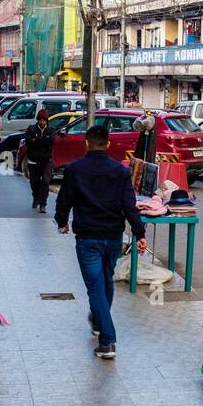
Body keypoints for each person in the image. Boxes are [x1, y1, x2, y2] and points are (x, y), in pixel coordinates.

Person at [54, 124, 147, 361]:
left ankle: (107, 341)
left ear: (87, 143)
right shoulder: (120, 171)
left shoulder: (75, 170)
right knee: (106, 280)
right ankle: (97, 320)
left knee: (96, 287)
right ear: (108, 144)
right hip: (112, 237)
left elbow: (64, 199)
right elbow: (129, 205)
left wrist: (61, 221)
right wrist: (139, 233)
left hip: (88, 238)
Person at [24, 109, 56, 213]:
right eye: (40, 120)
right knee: (34, 181)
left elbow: (51, 141)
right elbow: (28, 141)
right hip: (33, 160)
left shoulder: (51, 129)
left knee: (45, 181)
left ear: (47, 120)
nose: (42, 122)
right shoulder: (31, 129)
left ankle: (43, 203)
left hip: (46, 160)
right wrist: (42, 141)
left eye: (44, 120)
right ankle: (35, 197)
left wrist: (36, 139)